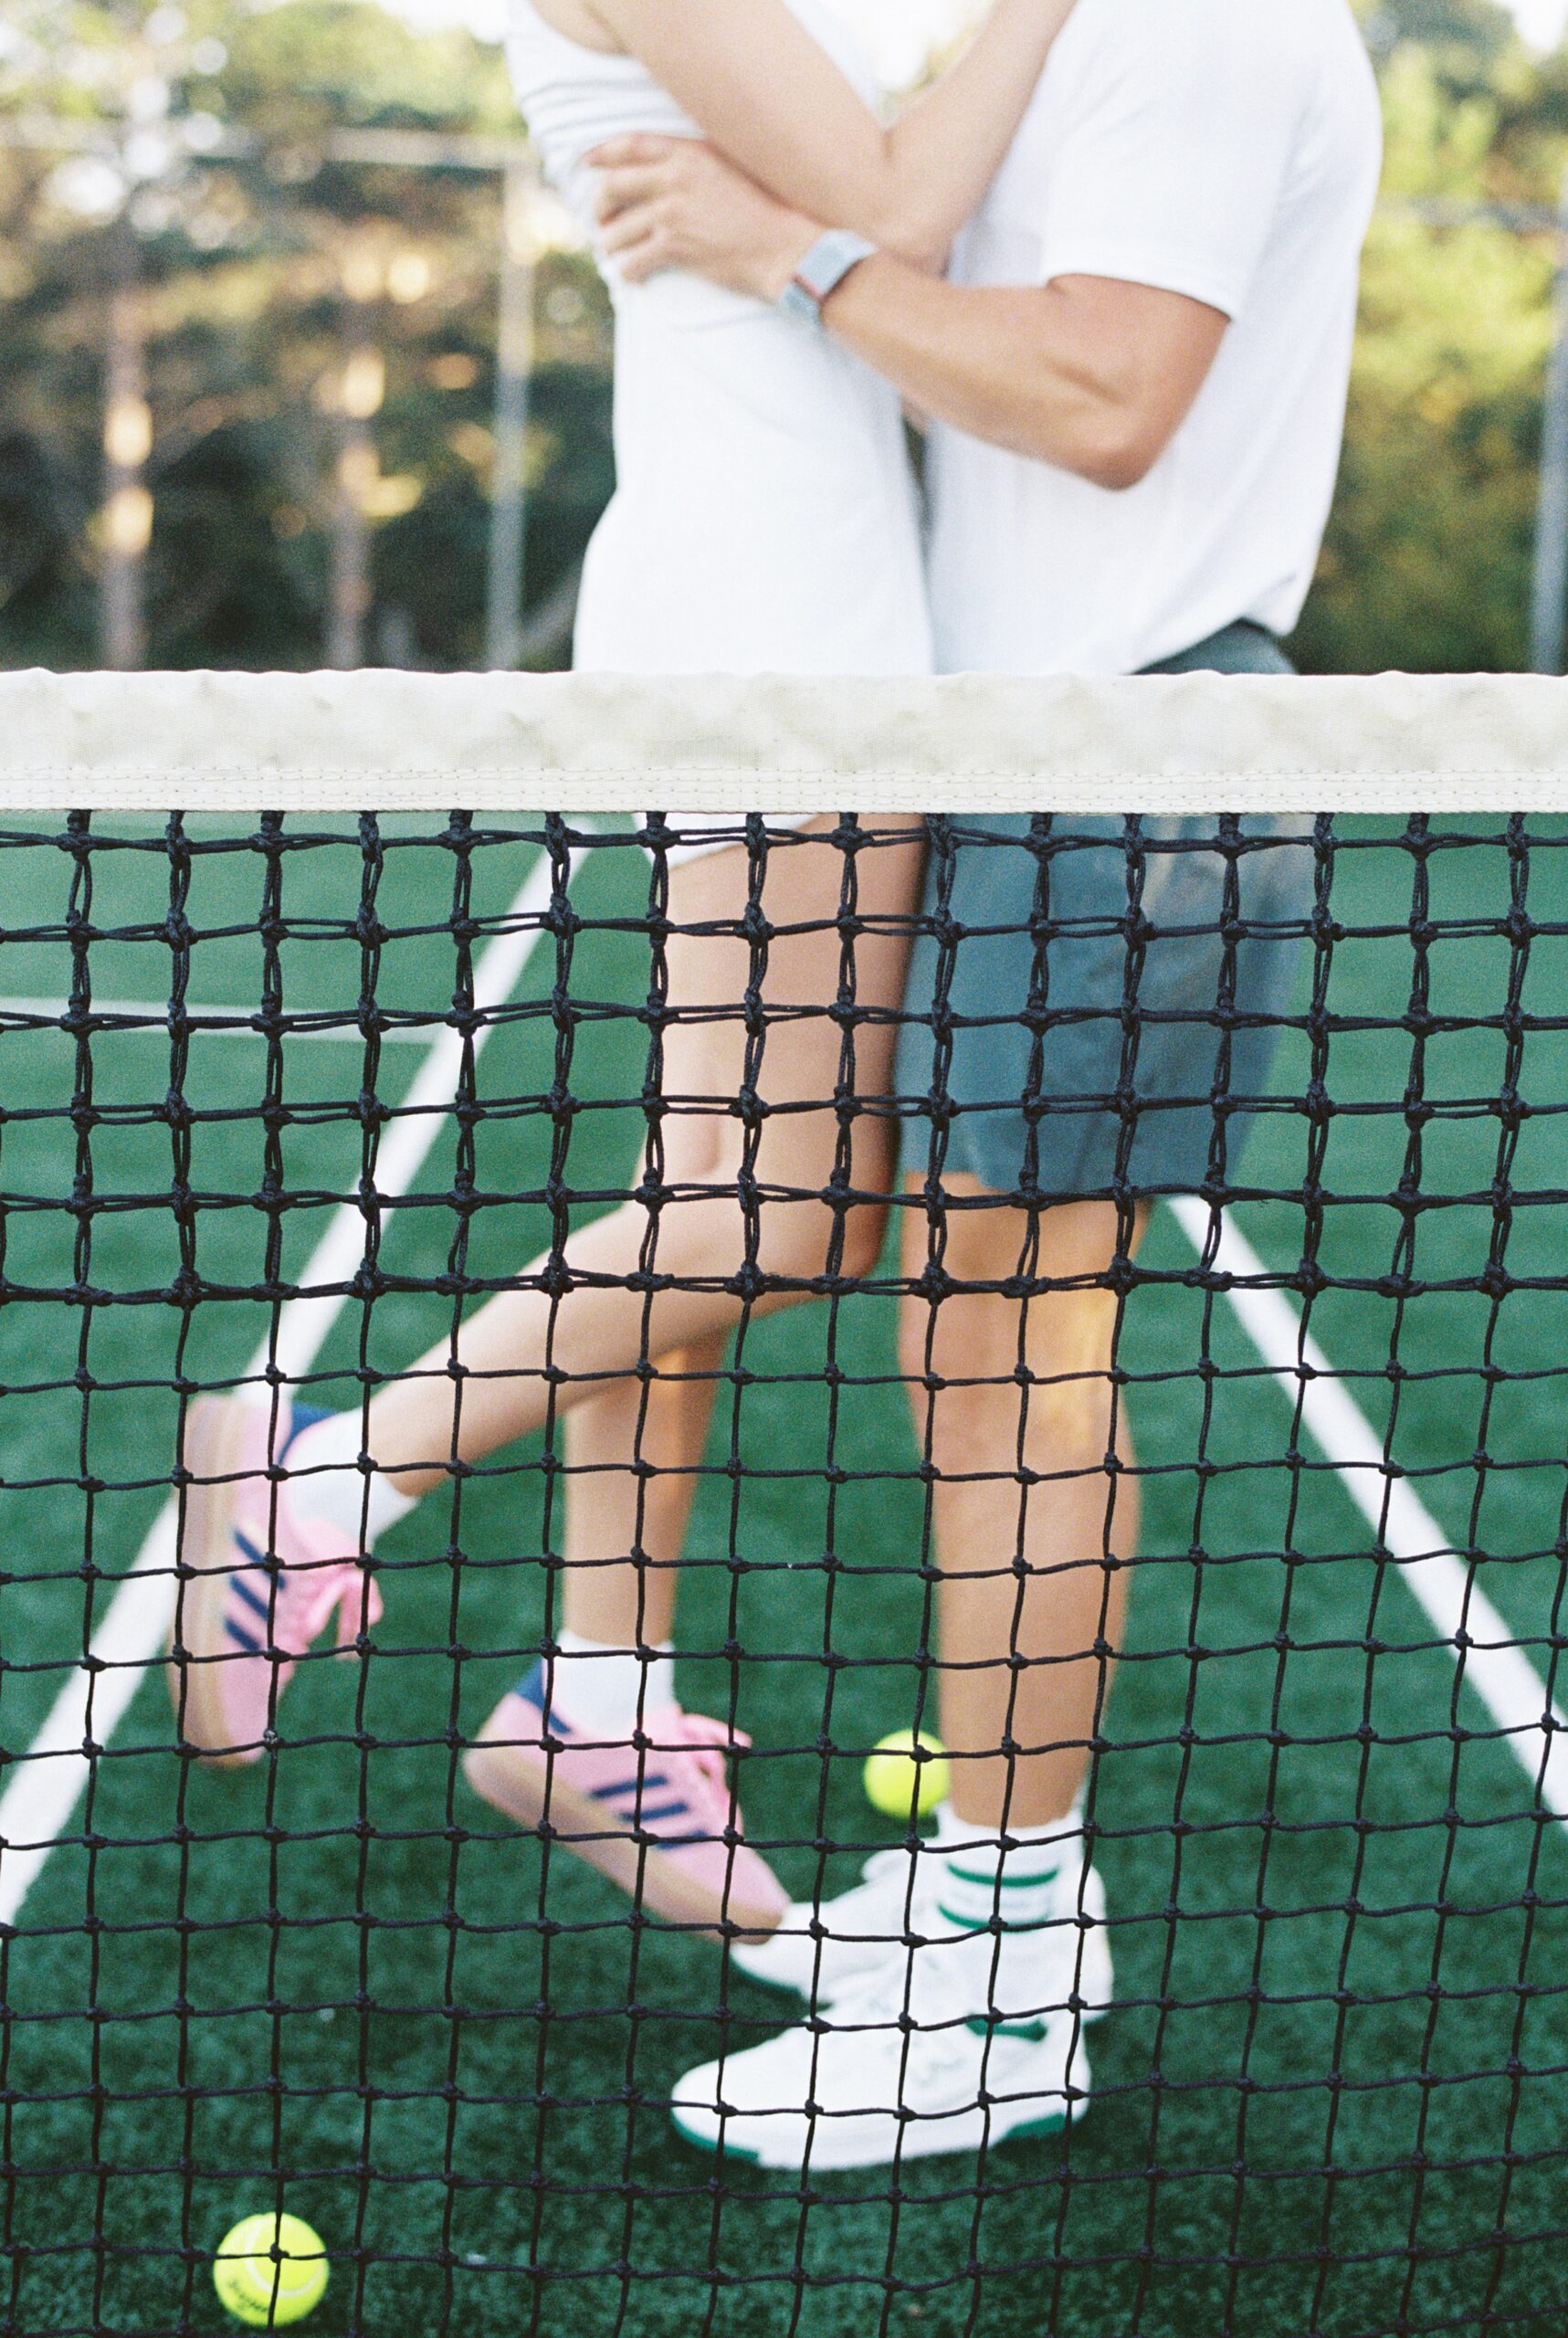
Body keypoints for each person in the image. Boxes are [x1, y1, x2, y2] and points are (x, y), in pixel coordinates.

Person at [166, 2, 1080, 1957]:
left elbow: (866, 195)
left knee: (707, 1184)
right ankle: (321, 1475)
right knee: (773, 1204)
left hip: (788, 584)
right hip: (778, 615)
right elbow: (902, 205)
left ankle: (598, 1696)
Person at [586, 0, 1384, 2172]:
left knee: (1010, 1358)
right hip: (1011, 749)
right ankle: (1007, 1894)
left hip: (1125, 757)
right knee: (970, 1351)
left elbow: (1107, 397)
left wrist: (805, 264)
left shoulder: (1211, 30)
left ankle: (1006, 1988)